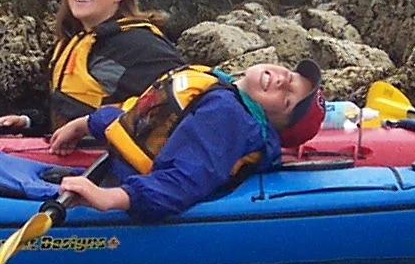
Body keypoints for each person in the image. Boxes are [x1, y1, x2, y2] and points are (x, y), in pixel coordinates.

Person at [47, 60, 326, 220]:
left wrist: (108, 198)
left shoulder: (229, 118)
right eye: (288, 75)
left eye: (287, 98)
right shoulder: (215, 84)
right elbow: (144, 119)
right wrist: (85, 124)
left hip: (136, 188)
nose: (280, 81)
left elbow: (184, 182)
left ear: (272, 122)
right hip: (120, 169)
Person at [0, 0, 185, 139]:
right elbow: (67, 107)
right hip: (65, 155)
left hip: (108, 161)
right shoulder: (72, 41)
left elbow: (178, 107)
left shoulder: (140, 45)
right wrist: (28, 122)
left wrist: (88, 126)